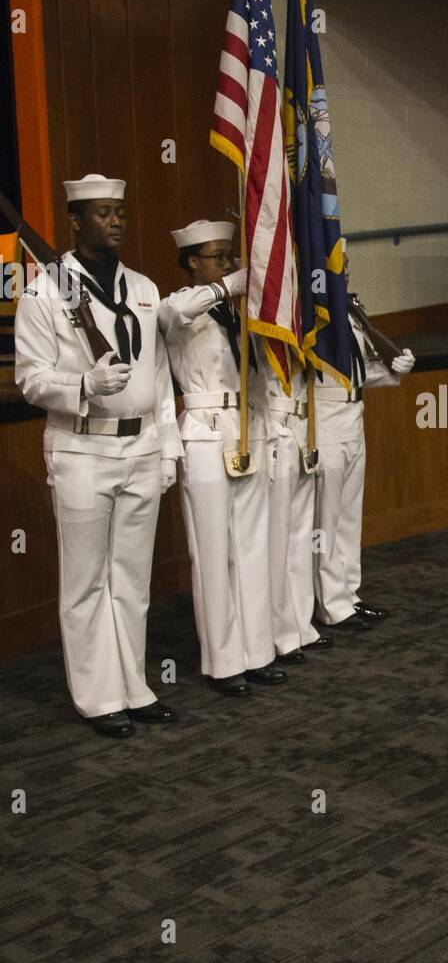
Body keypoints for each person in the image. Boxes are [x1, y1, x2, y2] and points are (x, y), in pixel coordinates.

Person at [14, 173, 182, 739]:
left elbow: (160, 377)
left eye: (119, 212)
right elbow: (31, 380)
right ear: (75, 221)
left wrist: (167, 449)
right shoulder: (43, 291)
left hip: (141, 445)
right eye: (102, 213)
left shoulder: (145, 287)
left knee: (131, 579)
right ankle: (97, 696)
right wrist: (83, 384)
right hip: (82, 447)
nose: (115, 221)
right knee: (86, 582)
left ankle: (134, 685)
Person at [159, 220, 286, 696]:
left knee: (252, 548)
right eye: (218, 256)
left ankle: (257, 653)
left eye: (232, 257)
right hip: (206, 434)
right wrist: (227, 284)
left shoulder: (239, 315)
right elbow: (180, 310)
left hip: (247, 429)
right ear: (193, 261)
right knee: (213, 553)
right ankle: (223, 661)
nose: (230, 265)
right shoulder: (177, 305)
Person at [313, 252, 414, 630]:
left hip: (353, 415)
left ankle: (348, 594)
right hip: (324, 420)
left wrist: (390, 370)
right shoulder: (313, 314)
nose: (347, 270)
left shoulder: (351, 310)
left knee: (349, 516)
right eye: (339, 264)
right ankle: (330, 603)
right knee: (326, 517)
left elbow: (351, 373)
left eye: (348, 263)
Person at [256, 350, 332, 663]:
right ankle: (278, 630)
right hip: (275, 423)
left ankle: (300, 623)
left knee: (302, 535)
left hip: (302, 424)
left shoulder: (301, 316)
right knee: (278, 539)